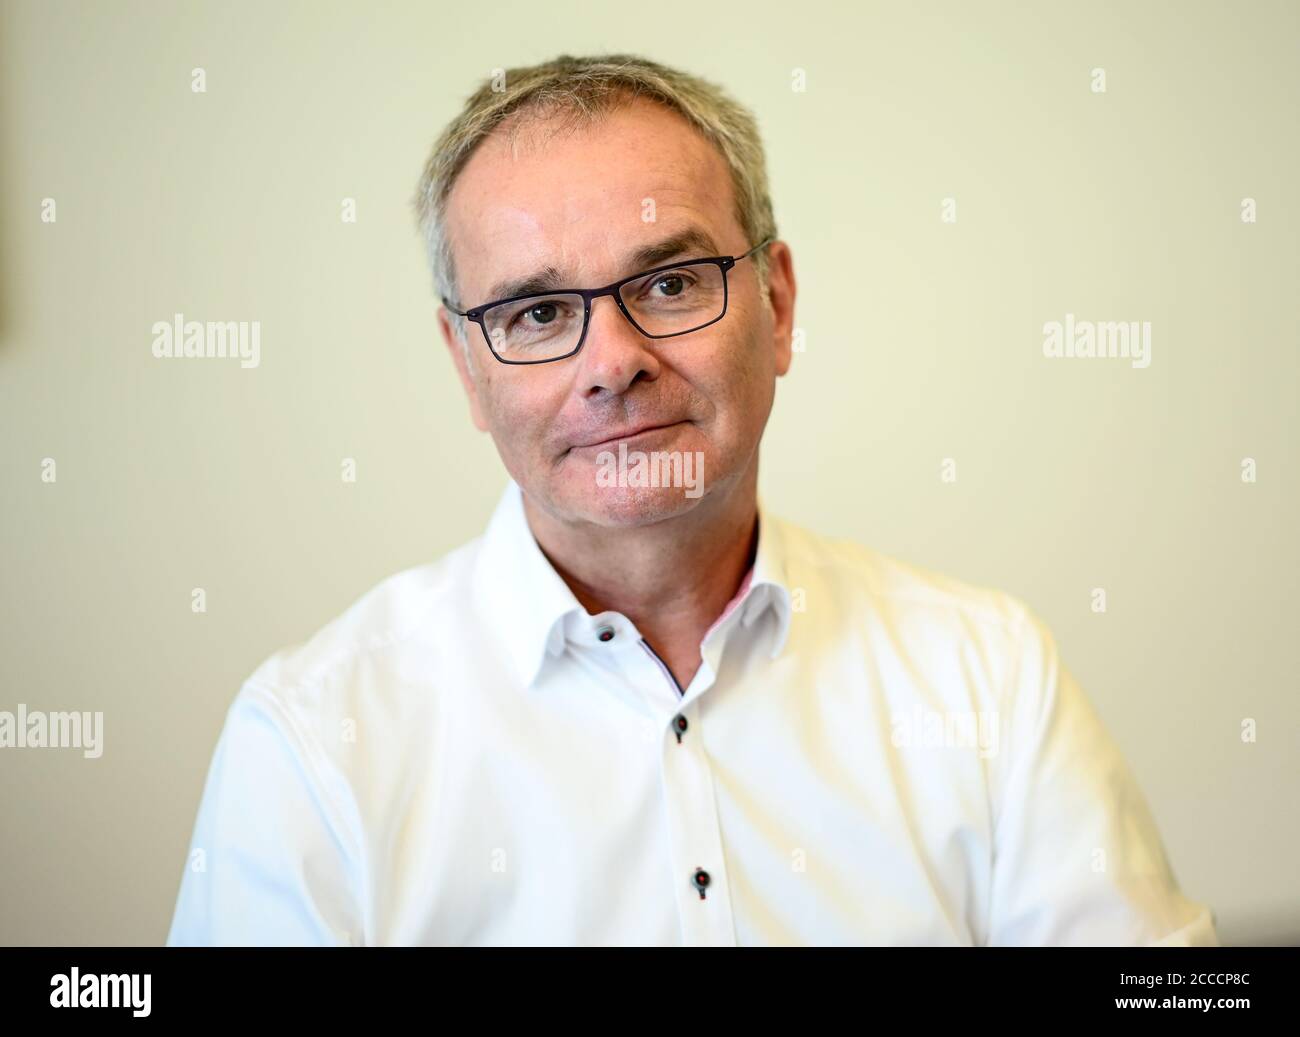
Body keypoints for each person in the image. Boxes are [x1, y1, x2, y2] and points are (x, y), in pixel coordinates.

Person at [166, 53, 1217, 946]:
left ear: (779, 304)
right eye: (536, 312)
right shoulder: (311, 740)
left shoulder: (987, 676)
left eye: (668, 284)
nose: (612, 362)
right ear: (466, 367)